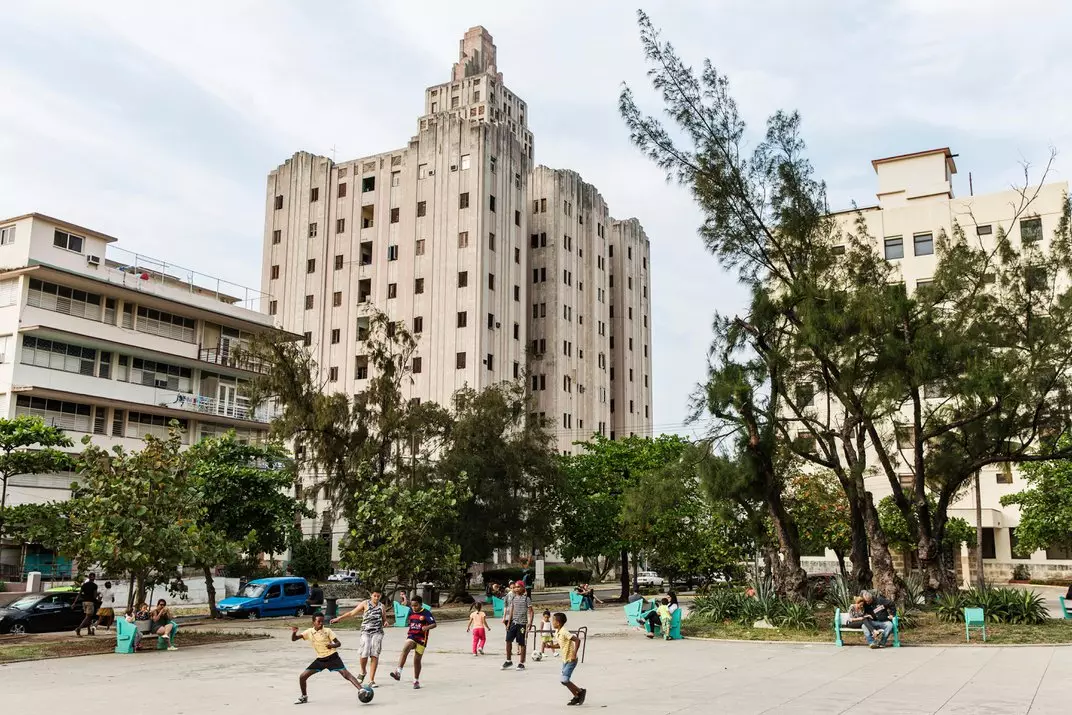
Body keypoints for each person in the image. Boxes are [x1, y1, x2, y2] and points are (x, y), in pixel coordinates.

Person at [291, 613, 365, 705]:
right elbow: (294, 639)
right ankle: (304, 697)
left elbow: (338, 643)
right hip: (320, 660)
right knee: (302, 676)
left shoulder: (327, 631)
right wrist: (294, 632)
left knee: (346, 674)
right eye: (319, 621)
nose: (321, 623)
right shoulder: (309, 632)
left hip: (332, 657)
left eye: (322, 621)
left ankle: (361, 690)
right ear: (313, 622)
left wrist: (332, 645)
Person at [331, 589, 387, 687]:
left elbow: (384, 619)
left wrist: (385, 622)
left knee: (375, 654)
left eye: (378, 596)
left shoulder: (382, 606)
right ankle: (363, 671)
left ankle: (372, 680)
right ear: (371, 595)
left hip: (377, 632)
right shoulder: (365, 603)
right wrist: (339, 618)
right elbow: (352, 613)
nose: (376, 598)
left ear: (380, 596)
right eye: (375, 596)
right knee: (364, 651)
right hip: (366, 631)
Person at [389, 595, 436, 689]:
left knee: (417, 660)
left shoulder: (426, 613)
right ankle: (398, 672)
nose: (414, 608)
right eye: (412, 606)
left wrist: (426, 627)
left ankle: (416, 680)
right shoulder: (411, 612)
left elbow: (434, 624)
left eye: (416, 605)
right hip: (412, 636)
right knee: (406, 647)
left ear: (421, 604)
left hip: (422, 639)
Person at [553, 612, 586, 706]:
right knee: (564, 681)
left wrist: (574, 654)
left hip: (571, 659)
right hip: (565, 660)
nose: (552, 622)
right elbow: (560, 645)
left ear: (558, 623)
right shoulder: (557, 632)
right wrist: (550, 646)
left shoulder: (564, 631)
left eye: (553, 621)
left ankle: (580, 692)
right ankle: (576, 696)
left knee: (564, 680)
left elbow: (577, 640)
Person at [502, 581, 534, 671]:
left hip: (522, 624)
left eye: (518, 587)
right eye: (515, 587)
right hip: (513, 623)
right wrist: (508, 623)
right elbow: (512, 610)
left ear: (523, 588)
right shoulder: (513, 598)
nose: (516, 589)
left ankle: (521, 663)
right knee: (508, 640)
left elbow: (531, 611)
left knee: (521, 643)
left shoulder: (526, 599)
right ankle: (508, 660)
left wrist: (530, 623)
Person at [75, 572, 98, 637]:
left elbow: (79, 594)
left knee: (88, 617)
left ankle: (89, 631)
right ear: (94, 578)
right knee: (88, 617)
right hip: (90, 602)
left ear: (88, 577)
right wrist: (98, 595)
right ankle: (79, 628)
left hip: (84, 602)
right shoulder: (95, 585)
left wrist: (74, 603)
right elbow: (94, 596)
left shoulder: (84, 585)